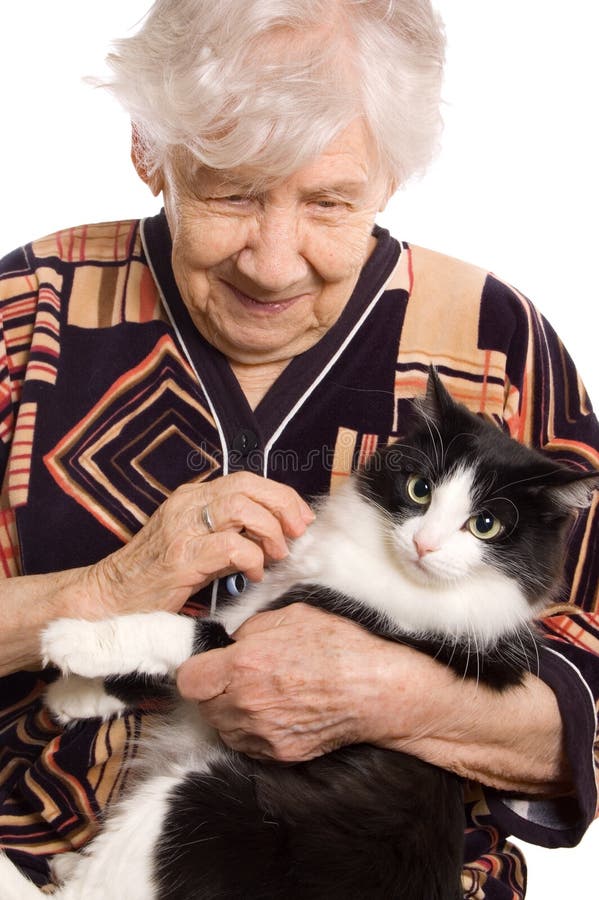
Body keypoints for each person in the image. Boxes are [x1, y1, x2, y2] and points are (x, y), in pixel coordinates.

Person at [0, 1, 597, 896]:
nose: (273, 262)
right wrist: (100, 590)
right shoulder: (24, 312)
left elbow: (589, 693)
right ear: (148, 151)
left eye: (328, 202)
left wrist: (397, 699)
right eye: (231, 193)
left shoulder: (493, 336)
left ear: (389, 177)